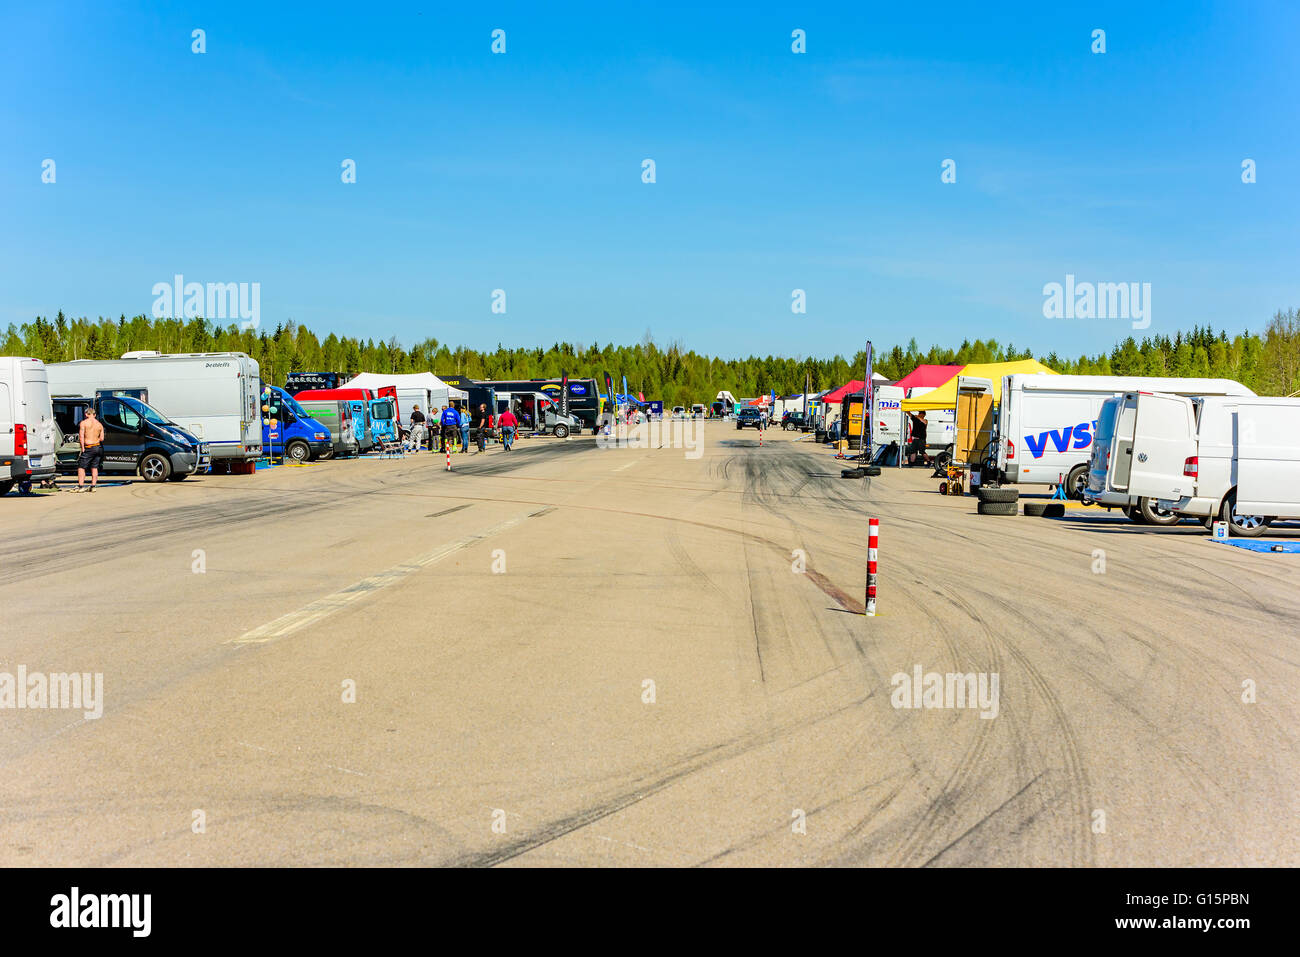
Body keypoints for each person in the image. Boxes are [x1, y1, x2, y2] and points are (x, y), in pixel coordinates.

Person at [75, 406, 105, 492]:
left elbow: (81, 437)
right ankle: (93, 486)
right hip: (98, 447)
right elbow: (102, 438)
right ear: (94, 415)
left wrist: (83, 448)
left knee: (81, 467)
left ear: (86, 414)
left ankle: (81, 486)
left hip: (89, 447)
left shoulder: (83, 423)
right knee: (94, 467)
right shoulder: (100, 424)